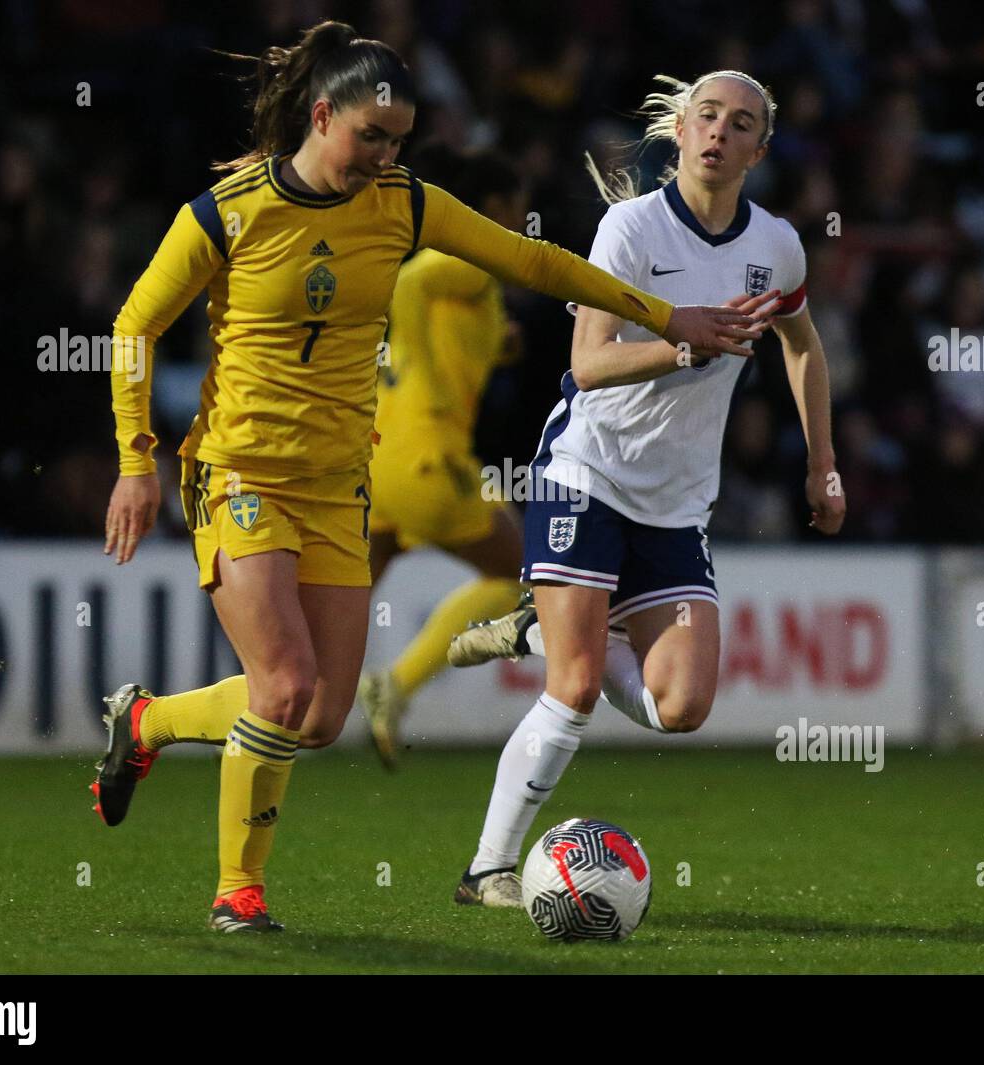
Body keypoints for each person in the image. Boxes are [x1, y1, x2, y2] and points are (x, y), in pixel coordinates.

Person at [91, 22, 769, 934]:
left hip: (341, 483)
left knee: (318, 716)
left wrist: (664, 316)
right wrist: (135, 460)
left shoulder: (404, 204)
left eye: (399, 141)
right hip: (237, 468)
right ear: (321, 115)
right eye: (370, 136)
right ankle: (238, 894)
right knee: (284, 685)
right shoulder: (228, 211)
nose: (384, 157)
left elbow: (532, 261)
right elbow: (133, 326)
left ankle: (144, 725)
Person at [447, 70, 845, 907]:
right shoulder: (630, 227)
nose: (718, 133)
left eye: (741, 125)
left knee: (683, 705)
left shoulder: (775, 246)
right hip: (588, 472)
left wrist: (821, 462)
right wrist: (683, 343)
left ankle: (534, 633)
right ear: (680, 128)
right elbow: (585, 364)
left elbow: (802, 344)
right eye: (707, 116)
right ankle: (487, 868)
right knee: (580, 686)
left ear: (759, 150)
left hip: (677, 500)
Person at [357, 144, 529, 769]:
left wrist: (500, 344)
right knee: (520, 578)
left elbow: (435, 315)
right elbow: (407, 284)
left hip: (378, 463)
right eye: (515, 209)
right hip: (432, 462)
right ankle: (396, 684)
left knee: (336, 622)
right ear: (496, 208)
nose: (520, 224)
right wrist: (428, 388)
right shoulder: (474, 255)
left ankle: (249, 723)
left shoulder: (473, 285)